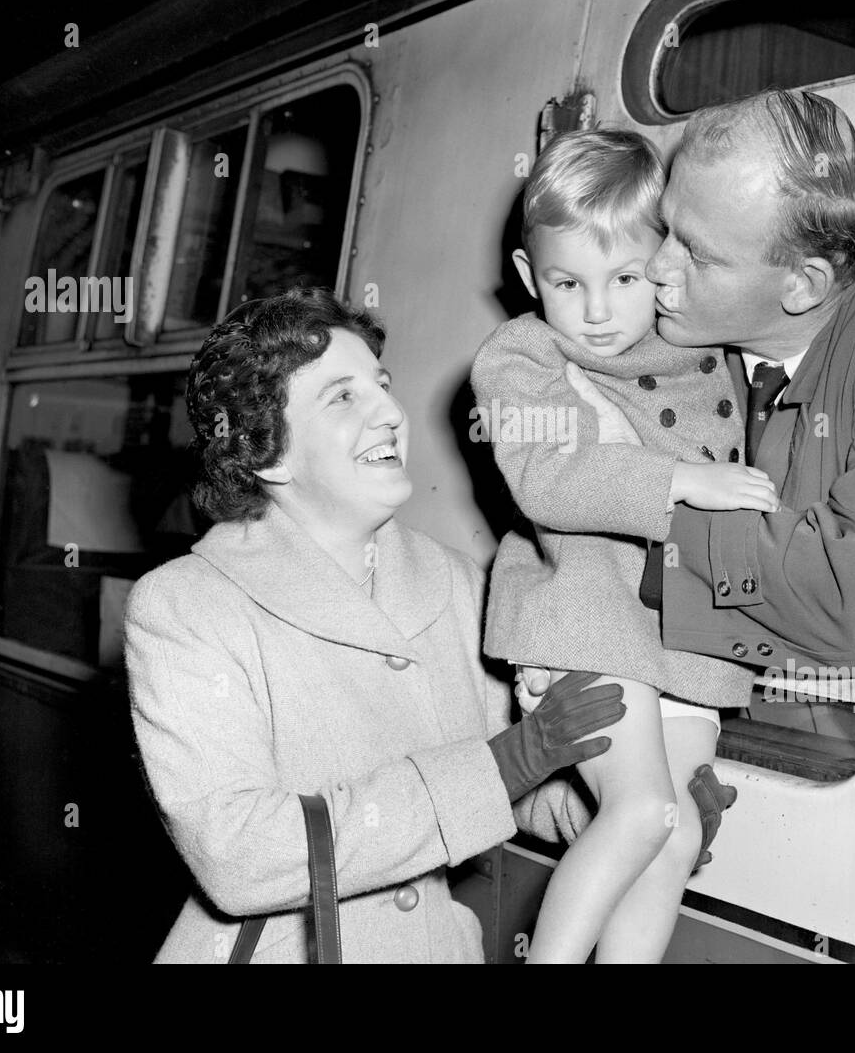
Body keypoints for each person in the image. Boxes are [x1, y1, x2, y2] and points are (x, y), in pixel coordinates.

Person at [124, 287, 627, 964]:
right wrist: (506, 763)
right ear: (267, 452)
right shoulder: (187, 606)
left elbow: (507, 778)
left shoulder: (455, 581)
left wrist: (609, 809)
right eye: (343, 397)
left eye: (381, 386)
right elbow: (238, 854)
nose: (390, 413)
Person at [471, 129, 778, 964]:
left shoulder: (695, 342)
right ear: (531, 277)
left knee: (673, 838)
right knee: (641, 813)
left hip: (680, 641)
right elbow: (548, 479)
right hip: (580, 619)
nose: (597, 311)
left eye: (626, 279)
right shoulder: (522, 353)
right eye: (568, 283)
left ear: (666, 270)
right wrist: (681, 482)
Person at [565, 89, 855, 731]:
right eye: (664, 228)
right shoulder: (687, 328)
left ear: (803, 285)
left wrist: (636, 499)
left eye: (696, 253)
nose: (654, 267)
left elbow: (851, 604)